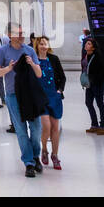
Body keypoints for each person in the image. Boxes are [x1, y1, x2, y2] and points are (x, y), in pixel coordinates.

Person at [0, 22, 46, 177]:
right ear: (10, 35)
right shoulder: (3, 51)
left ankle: (36, 155)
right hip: (12, 95)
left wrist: (32, 63)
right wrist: (9, 68)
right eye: (18, 33)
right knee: (21, 130)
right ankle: (29, 162)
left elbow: (39, 74)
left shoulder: (30, 50)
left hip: (30, 95)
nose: (22, 35)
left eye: (22, 32)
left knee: (36, 128)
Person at [34, 35, 65, 169]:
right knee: (46, 126)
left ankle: (55, 155)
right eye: (41, 44)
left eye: (45, 43)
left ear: (48, 46)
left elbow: (62, 77)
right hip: (40, 98)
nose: (43, 46)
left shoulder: (54, 59)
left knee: (55, 128)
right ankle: (44, 149)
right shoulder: (34, 60)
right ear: (37, 46)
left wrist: (59, 90)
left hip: (54, 96)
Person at [81, 36, 104, 135]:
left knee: (100, 104)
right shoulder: (85, 55)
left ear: (93, 47)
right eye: (86, 43)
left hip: (96, 84)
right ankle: (94, 124)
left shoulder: (98, 57)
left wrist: (96, 81)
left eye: (89, 44)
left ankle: (103, 126)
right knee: (88, 103)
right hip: (89, 84)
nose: (86, 45)